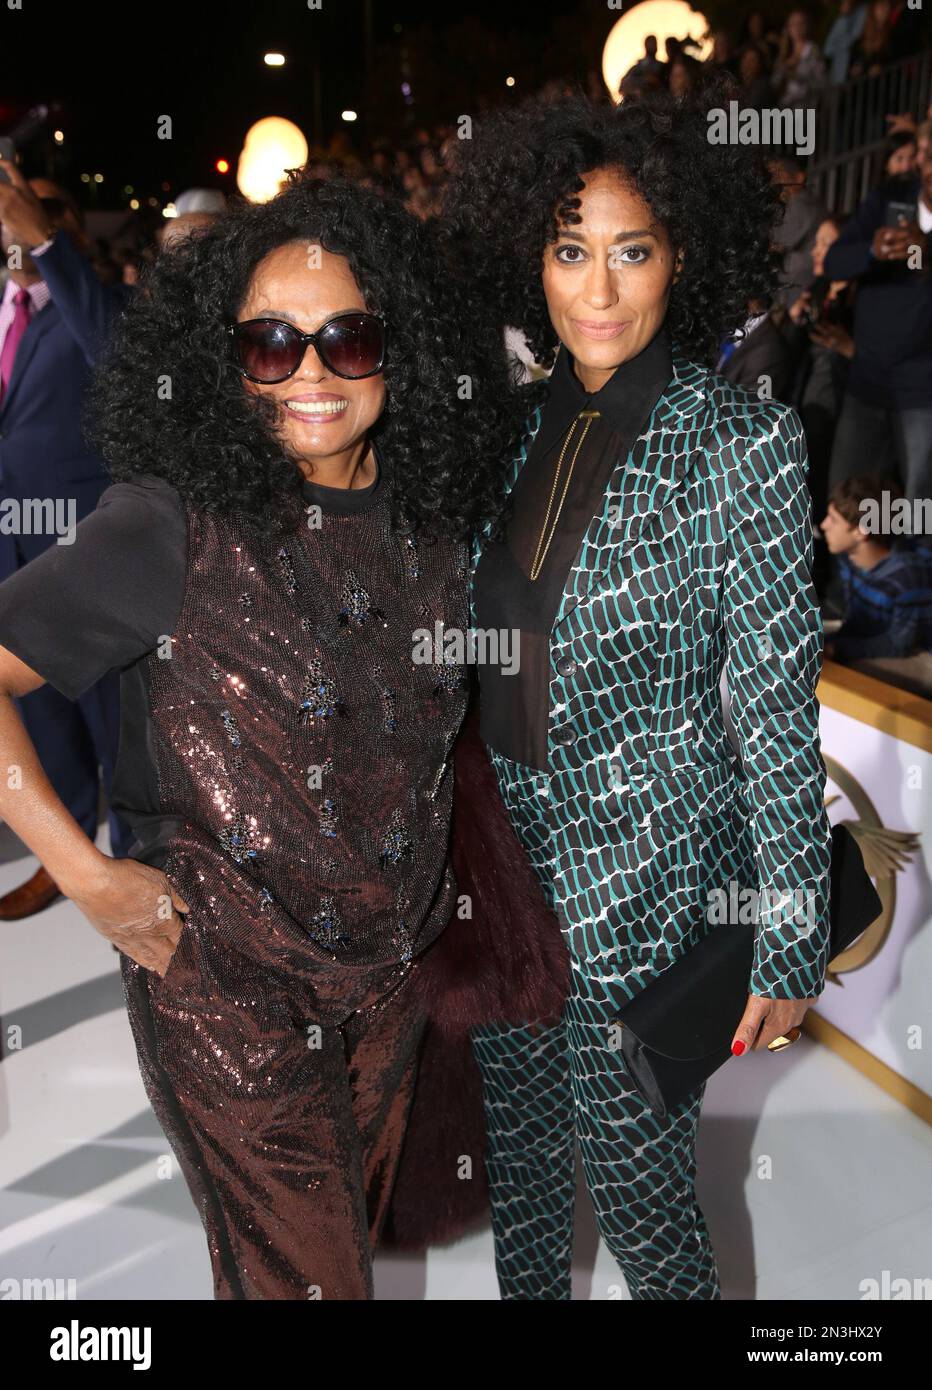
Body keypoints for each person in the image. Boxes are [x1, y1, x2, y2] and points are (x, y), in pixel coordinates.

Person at [0, 174, 517, 1299]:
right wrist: (84, 874)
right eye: (272, 344)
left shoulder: (436, 516)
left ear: (402, 349)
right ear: (226, 361)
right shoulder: (168, 525)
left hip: (388, 988)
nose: (315, 374)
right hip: (225, 991)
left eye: (349, 337)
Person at [443, 92, 833, 1301]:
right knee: (518, 1167)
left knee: (641, 1201)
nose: (598, 291)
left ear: (681, 258)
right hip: (502, 866)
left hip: (650, 878)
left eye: (631, 250)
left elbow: (773, 701)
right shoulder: (498, 435)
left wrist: (790, 931)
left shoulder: (739, 442)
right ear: (533, 259)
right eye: (570, 251)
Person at [0, 157, 133, 919]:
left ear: (69, 230)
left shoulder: (101, 306)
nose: (19, 216)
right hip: (10, 557)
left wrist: (49, 248)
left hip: (85, 555)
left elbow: (115, 360)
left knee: (116, 723)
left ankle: (142, 873)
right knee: (43, 722)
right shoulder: (2, 309)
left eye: (43, 211)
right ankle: (68, 856)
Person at [823, 144, 932, 519]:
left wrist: (927, 254)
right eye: (929, 158)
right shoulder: (889, 198)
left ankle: (905, 577)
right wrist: (871, 250)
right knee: (844, 499)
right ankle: (846, 577)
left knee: (919, 512)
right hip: (866, 382)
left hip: (922, 393)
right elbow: (834, 262)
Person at [821, 474, 932, 661]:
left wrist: (835, 649)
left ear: (860, 532)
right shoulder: (849, 558)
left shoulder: (907, 580)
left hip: (913, 656)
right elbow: (855, 624)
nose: (824, 525)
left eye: (833, 519)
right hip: (864, 641)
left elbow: (900, 645)